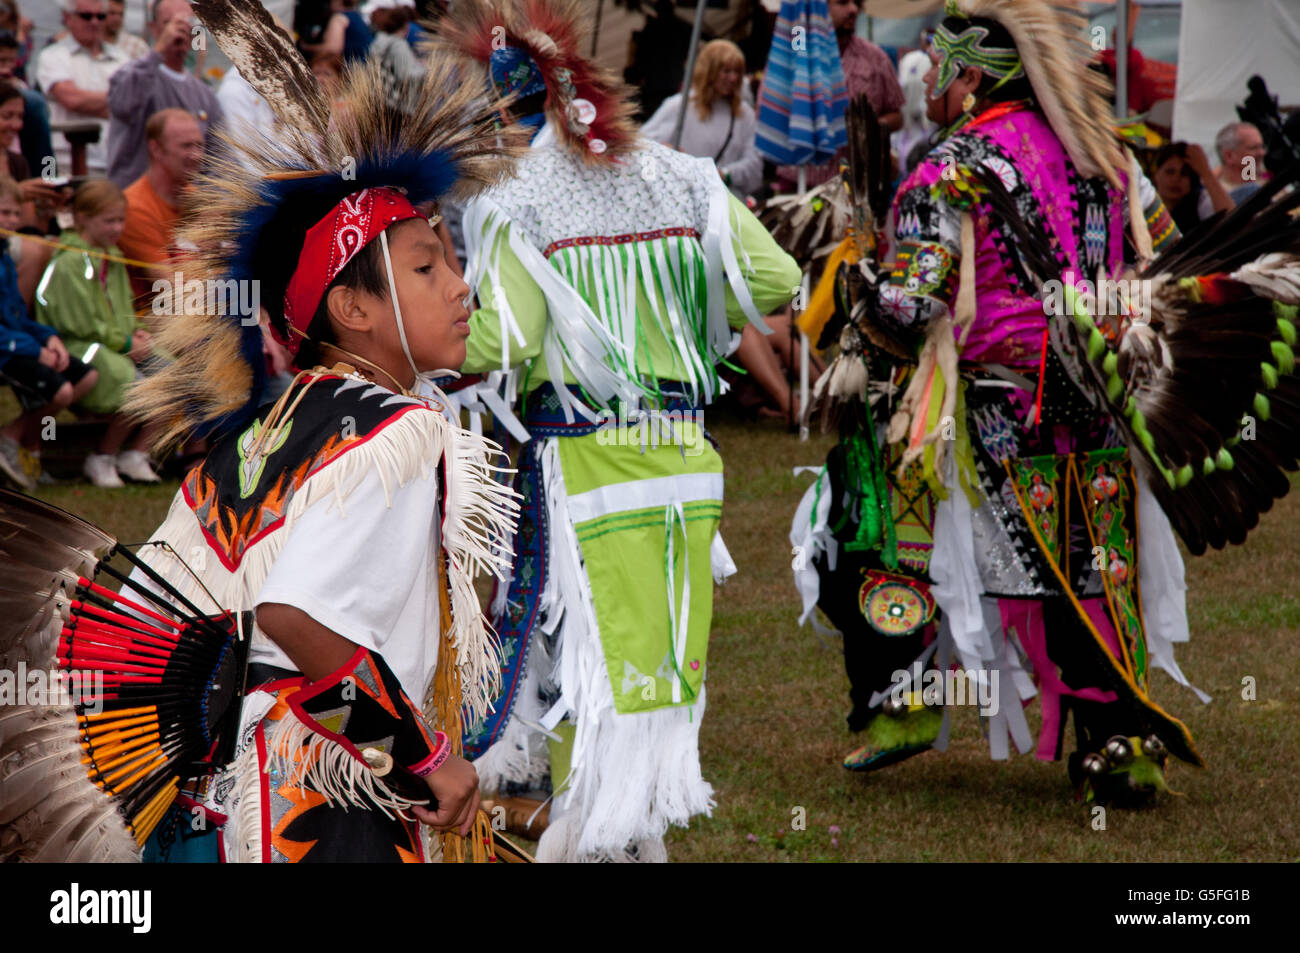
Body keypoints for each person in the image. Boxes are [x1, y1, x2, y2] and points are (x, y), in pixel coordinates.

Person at [789, 0, 1299, 805]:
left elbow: (913, 304)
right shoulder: (1113, 154)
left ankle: (904, 700)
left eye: (940, 68)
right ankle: (1122, 742)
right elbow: (1160, 255)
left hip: (996, 408)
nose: (932, 88)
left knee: (862, 510)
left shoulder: (953, 164)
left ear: (968, 75)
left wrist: (857, 291)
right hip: (1104, 399)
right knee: (1093, 566)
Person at [118, 0, 524, 861]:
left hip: (229, 790)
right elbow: (297, 617)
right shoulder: (396, 435)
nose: (461, 286)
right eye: (426, 266)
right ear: (352, 307)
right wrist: (414, 752)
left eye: (452, 258)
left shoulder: (271, 426)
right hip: (324, 801)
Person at [433, 0, 801, 862]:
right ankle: (624, 835)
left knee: (587, 665)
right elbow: (776, 278)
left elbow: (511, 336)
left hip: (588, 465)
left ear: (509, 112)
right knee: (659, 655)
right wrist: (684, 315)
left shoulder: (517, 197)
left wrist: (418, 337)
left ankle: (597, 835)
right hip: (682, 459)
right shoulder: (682, 174)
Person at [33, 177, 163, 486]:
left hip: (115, 343)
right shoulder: (70, 262)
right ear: (82, 218)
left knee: (176, 377)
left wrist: (139, 332)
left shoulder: (112, 256)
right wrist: (125, 342)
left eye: (120, 220)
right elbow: (78, 323)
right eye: (109, 221)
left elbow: (122, 308)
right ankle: (103, 456)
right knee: (135, 384)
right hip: (77, 346)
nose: (117, 228)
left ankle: (136, 454)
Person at [0, 176, 98, 490]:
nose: (13, 221)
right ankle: (11, 440)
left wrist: (48, 338)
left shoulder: (4, 257)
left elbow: (17, 315)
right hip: (7, 350)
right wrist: (34, 349)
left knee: (85, 377)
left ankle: (26, 445)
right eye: (4, 213)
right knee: (62, 393)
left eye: (16, 213)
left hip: (19, 343)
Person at [776, 0, 903, 190]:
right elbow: (767, 109)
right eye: (842, 2)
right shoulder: (796, 51)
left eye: (856, 3)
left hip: (856, 185)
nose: (852, 10)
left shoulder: (875, 58)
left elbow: (897, 115)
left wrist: (866, 127)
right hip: (800, 181)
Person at [105, 0, 223, 189]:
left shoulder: (204, 94)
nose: (179, 31)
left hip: (185, 208)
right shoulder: (134, 74)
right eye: (169, 23)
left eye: (188, 23)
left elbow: (221, 159)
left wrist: (209, 203)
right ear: (154, 29)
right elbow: (122, 105)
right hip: (134, 204)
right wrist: (159, 50)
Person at [640, 39, 762, 199]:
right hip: (683, 201)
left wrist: (725, 174)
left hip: (726, 204)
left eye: (737, 72)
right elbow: (642, 147)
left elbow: (755, 165)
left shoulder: (744, 115)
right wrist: (666, 153)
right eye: (726, 71)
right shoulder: (679, 106)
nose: (733, 78)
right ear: (709, 71)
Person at [34, 0, 131, 177]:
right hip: (68, 163)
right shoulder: (53, 55)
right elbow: (73, 99)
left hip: (115, 162)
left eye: (101, 16)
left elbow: (133, 104)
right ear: (68, 18)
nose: (94, 22)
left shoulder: (122, 58)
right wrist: (117, 103)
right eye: (86, 16)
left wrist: (91, 103)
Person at [117, 107, 202, 304]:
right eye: (187, 146)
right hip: (150, 316)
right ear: (156, 149)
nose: (197, 155)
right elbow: (174, 290)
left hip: (197, 302)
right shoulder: (136, 207)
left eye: (200, 145)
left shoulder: (195, 197)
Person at [1153, 141, 1231, 235]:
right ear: (1156, 174)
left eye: (1184, 174)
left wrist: (1206, 173)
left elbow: (1231, 220)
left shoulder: (1200, 203)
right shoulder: (1142, 199)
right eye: (1170, 172)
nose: (1176, 179)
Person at [1208, 121, 1267, 210]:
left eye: (1262, 147)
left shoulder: (1267, 179)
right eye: (1253, 148)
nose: (1262, 153)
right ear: (1229, 156)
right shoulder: (1218, 198)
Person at [301, 0, 373, 66]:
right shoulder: (357, 18)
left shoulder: (339, 18)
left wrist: (305, 48)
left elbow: (332, 49)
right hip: (364, 71)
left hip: (353, 72)